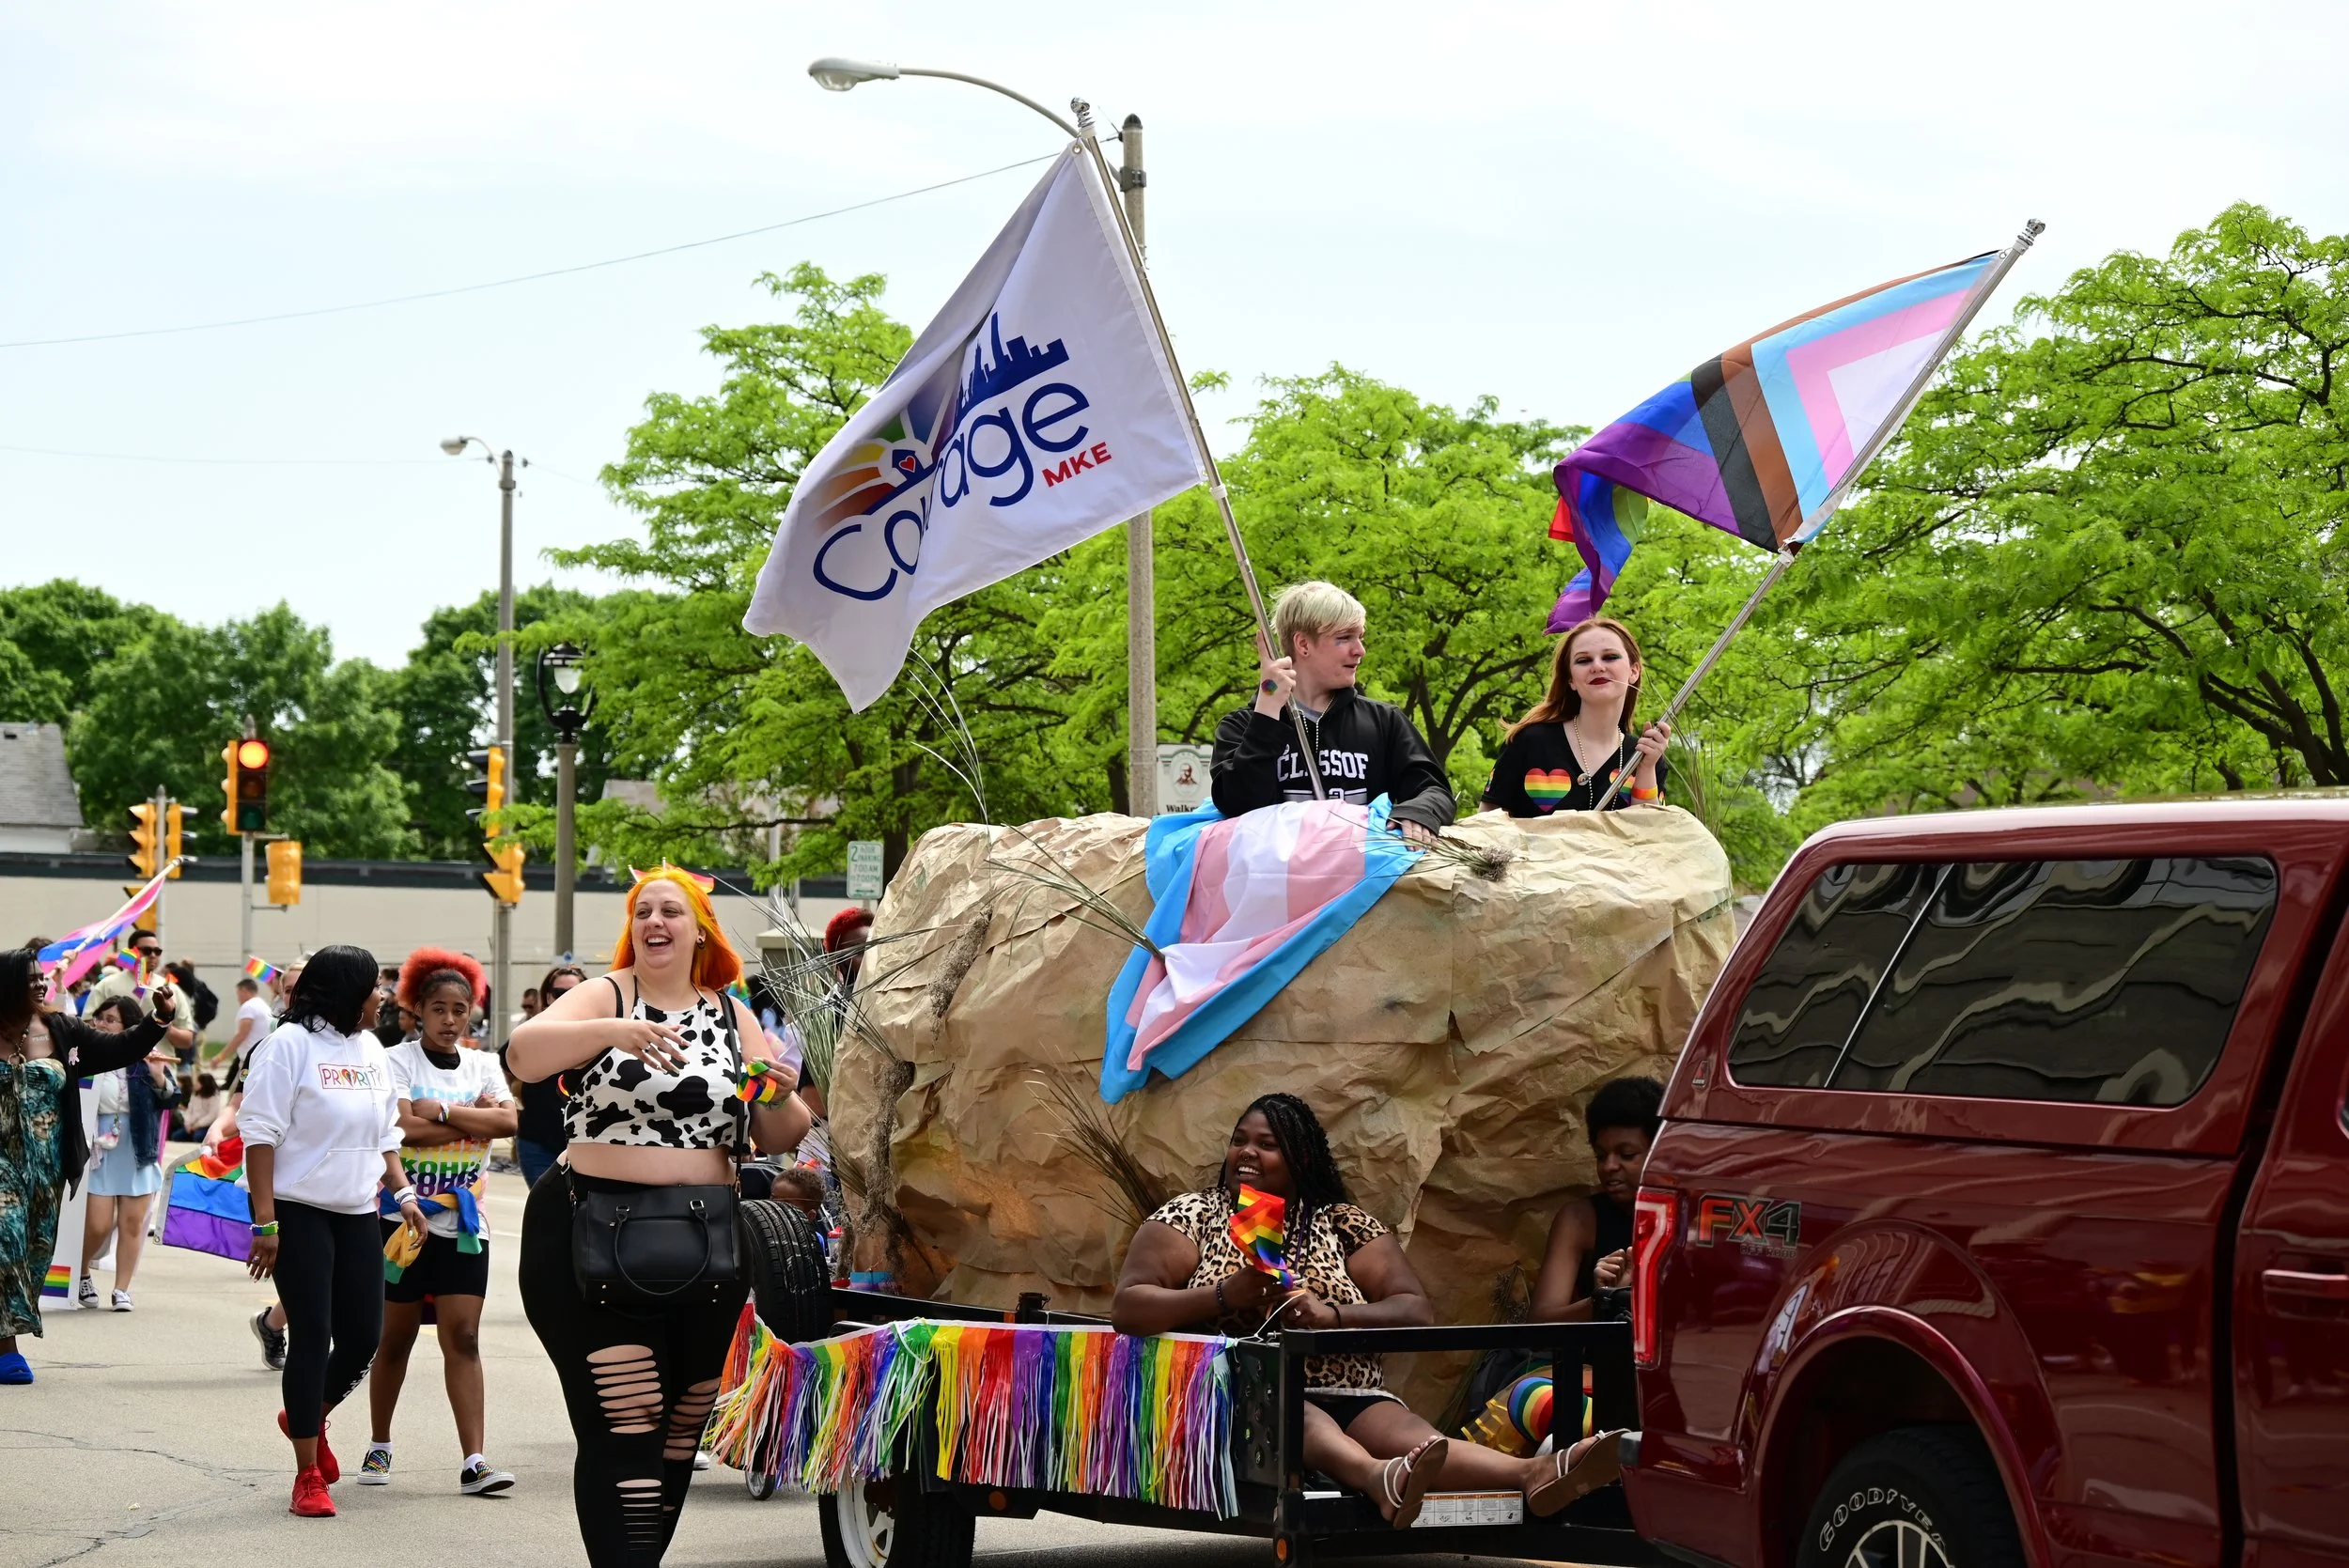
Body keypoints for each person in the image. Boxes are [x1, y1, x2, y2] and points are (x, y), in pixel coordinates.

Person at [1112, 1094, 1621, 1527]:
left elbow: (1413, 1308)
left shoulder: (1341, 1223)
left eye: (1267, 1145)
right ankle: (1377, 1478)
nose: (1246, 1153)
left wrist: (1329, 1315)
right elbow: (1129, 1307)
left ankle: (1533, 1474)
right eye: (1240, 1139)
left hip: (1348, 1388)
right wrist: (1226, 1295)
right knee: (1297, 1408)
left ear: (1301, 1160)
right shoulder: (1194, 1215)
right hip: (1241, 1389)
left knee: (1415, 1438)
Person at [508, 866, 812, 1568]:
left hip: (704, 1242)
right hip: (589, 1237)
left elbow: (779, 1132)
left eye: (671, 910)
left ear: (699, 927)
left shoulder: (732, 1013)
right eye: (643, 910)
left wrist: (779, 1089)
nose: (655, 921)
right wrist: (618, 1029)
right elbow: (523, 1054)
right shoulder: (606, 993)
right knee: (628, 1422)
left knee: (681, 1427)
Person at [240, 944, 428, 1519]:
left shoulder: (370, 1048)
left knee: (364, 1336)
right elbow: (259, 1136)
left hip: (357, 1211)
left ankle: (306, 1414)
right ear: (346, 992)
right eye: (375, 986)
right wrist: (266, 1223)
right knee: (312, 1334)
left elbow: (386, 1135)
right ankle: (306, 1476)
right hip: (298, 1213)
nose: (384, 997)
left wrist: (402, 1193)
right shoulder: (287, 1047)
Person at [363, 948, 519, 1496]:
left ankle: (474, 1460)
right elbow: (401, 1131)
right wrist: (472, 1124)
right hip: (400, 1222)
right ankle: (379, 1444)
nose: (451, 1020)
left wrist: (445, 1113)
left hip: (465, 1227)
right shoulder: (396, 1060)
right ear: (417, 1011)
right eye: (438, 1009)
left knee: (465, 1336)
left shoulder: (483, 1064)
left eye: (460, 1009)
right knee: (395, 1340)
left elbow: (509, 1122)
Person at [0, 948, 183, 1383]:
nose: (41, 984)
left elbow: (120, 1048)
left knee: (32, 1250)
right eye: (30, 979)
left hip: (45, 1167)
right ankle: (7, 1345)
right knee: (4, 1239)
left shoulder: (60, 1029)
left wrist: (158, 1020)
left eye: (42, 977)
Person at [1210, 581, 1453, 842]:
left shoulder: (1384, 722)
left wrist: (1417, 812)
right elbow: (1237, 806)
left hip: (1361, 878)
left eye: (1360, 637)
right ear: (1303, 644)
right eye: (1344, 638)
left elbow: (1435, 790)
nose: (1360, 650)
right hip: (1274, 879)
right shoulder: (1240, 727)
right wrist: (1267, 710)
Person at [1483, 617, 1671, 816]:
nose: (1597, 666)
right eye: (1583, 660)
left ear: (1634, 671)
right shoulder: (1529, 742)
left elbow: (1648, 833)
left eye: (1610, 657)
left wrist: (1646, 768)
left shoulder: (1646, 755)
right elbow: (1486, 824)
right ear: (1571, 679)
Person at [76, 996, 183, 1312]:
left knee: (132, 1223)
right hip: (98, 1148)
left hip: (137, 1148)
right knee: (96, 1224)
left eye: (111, 1020)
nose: (101, 1024)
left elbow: (172, 1099)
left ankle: (122, 1288)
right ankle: (81, 1272)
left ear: (129, 1026)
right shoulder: (86, 1055)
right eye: (100, 1018)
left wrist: (159, 1075)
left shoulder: (144, 1057)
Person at [1530, 1076, 1663, 1322]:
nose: (1609, 1166)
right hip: (1601, 1360)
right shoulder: (1581, 1220)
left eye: (1626, 1154)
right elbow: (1541, 1324)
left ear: (1662, 1152)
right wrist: (1607, 1298)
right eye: (1601, 1156)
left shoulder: (1697, 1217)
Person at [508, 964, 585, 1188]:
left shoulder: (602, 1032)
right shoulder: (532, 1031)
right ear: (549, 996)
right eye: (560, 993)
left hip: (585, 1144)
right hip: (537, 1143)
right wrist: (510, 1102)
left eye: (574, 992)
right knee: (548, 1216)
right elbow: (503, 1066)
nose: (567, 998)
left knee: (583, 1216)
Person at [86, 932, 197, 1058]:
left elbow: (187, 1040)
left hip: (159, 1069)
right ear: (131, 952)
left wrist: (162, 1023)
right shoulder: (107, 985)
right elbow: (87, 1027)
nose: (153, 955)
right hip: (115, 1066)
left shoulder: (170, 989)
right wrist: (112, 1024)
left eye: (157, 951)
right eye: (147, 950)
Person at [226, 976, 272, 1075]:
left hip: (249, 1062)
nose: (238, 999)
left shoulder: (249, 1007)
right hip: (261, 1058)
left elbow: (241, 1035)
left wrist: (220, 1057)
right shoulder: (263, 1005)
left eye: (238, 994)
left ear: (244, 990)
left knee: (240, 1089)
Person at [174, 1072, 225, 1142]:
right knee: (175, 1136)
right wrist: (187, 1124)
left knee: (198, 1137)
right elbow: (189, 1110)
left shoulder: (214, 1097)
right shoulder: (195, 1094)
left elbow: (211, 1115)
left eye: (198, 1081)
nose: (195, 1083)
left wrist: (197, 1125)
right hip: (192, 1124)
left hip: (205, 1126)